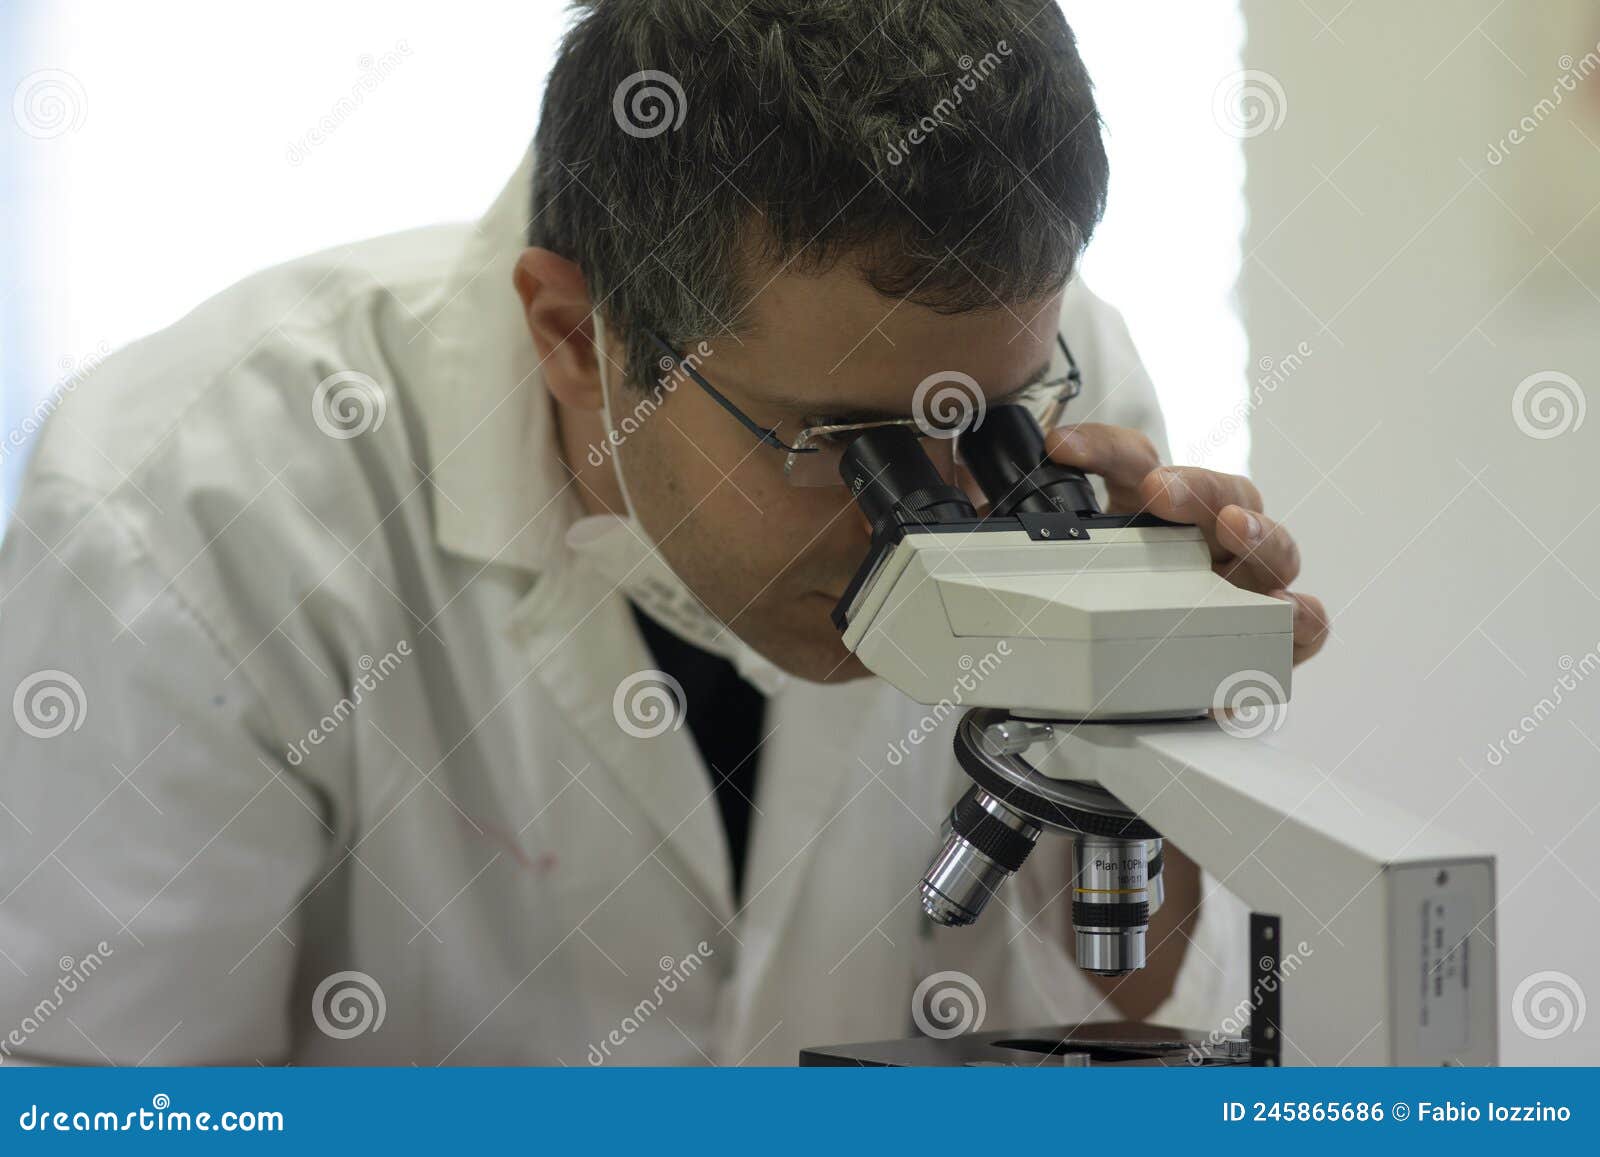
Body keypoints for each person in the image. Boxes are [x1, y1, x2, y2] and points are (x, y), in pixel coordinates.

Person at [0, 0, 1327, 1065]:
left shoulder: (1063, 378)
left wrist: (1164, 760)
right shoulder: (188, 507)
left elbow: (1124, 1014)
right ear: (577, 337)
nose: (945, 517)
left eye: (984, 422)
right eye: (840, 444)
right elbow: (99, 1106)